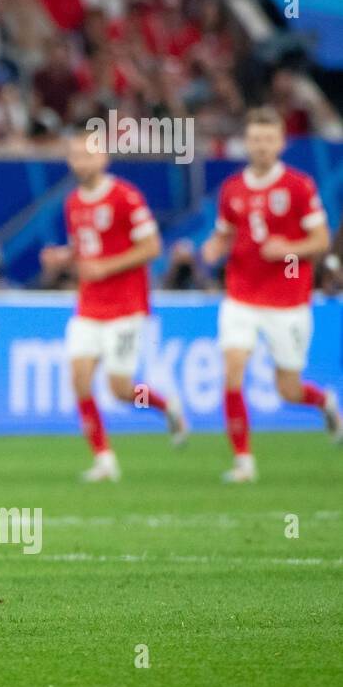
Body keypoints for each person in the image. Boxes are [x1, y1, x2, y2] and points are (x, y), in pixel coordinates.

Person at [200, 107, 340, 482]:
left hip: (288, 300)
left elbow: (321, 241)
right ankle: (243, 461)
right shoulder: (232, 189)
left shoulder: (298, 186)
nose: (261, 146)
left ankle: (324, 401)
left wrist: (288, 249)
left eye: (268, 139)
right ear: (246, 142)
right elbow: (226, 231)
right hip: (241, 295)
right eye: (255, 139)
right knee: (232, 371)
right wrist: (214, 246)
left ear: (280, 143)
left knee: (288, 389)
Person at [61, 130, 187, 483]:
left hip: (125, 306)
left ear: (103, 158)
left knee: (120, 389)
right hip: (88, 306)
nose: (81, 162)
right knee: (80, 380)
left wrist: (105, 266)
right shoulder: (73, 202)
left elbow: (151, 248)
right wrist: (64, 257)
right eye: (75, 156)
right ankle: (104, 459)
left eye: (88, 155)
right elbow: (84, 249)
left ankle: (165, 406)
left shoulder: (125, 197)